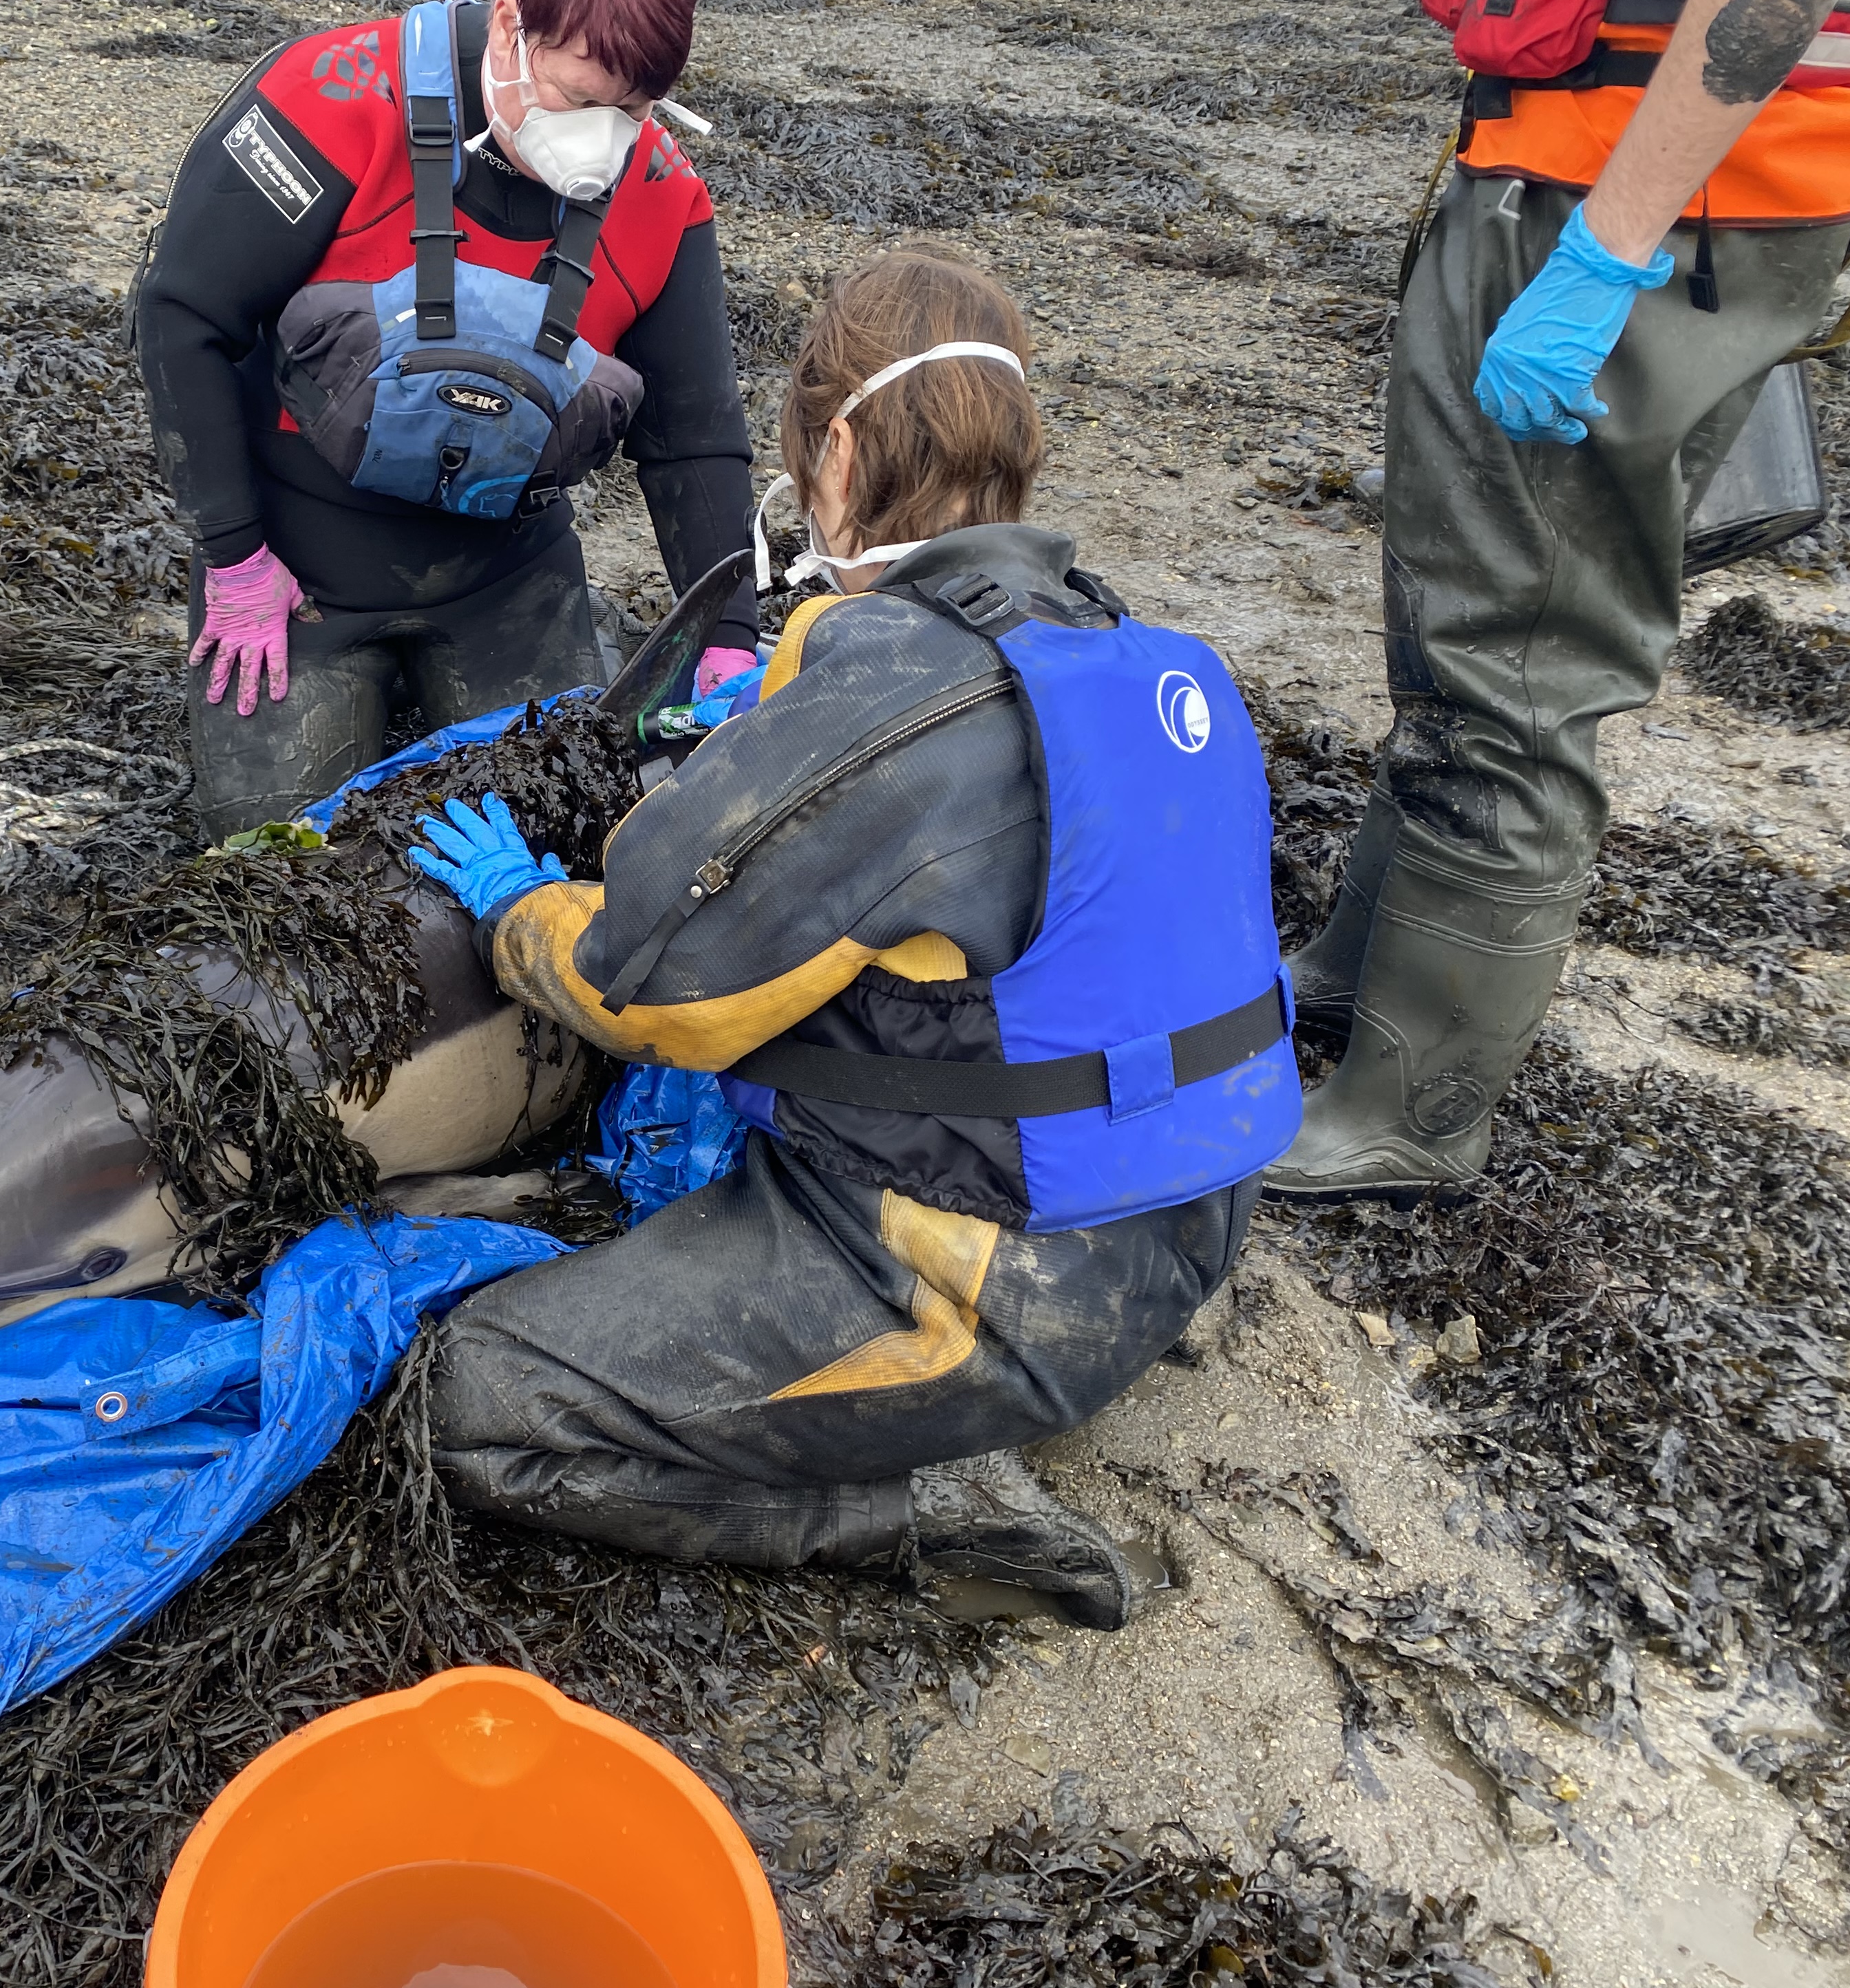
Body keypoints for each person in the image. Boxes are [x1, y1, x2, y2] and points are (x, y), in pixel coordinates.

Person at [403, 251, 1297, 1629]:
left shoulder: (895, 700)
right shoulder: (1148, 655)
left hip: (996, 1286)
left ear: (835, 452)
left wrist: (523, 910)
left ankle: (932, 1509)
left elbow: (652, 999)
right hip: (1198, 1218)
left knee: (480, 1403)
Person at [1268, 0, 1850, 1199]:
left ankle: (1414, 1107)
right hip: (1566, 161)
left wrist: (1612, 244)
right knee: (1453, 614)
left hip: (1654, 202)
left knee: (1519, 655)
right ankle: (1359, 973)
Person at [135, 0, 758, 840]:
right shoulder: (329, 100)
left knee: (575, 840)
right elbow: (184, 313)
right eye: (577, 98)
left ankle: (574, 628)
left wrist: (728, 639)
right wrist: (233, 557)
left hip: (506, 574)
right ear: (509, 26)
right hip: (300, 572)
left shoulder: (664, 197)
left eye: (634, 111)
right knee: (276, 861)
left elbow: (695, 441)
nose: (602, 138)